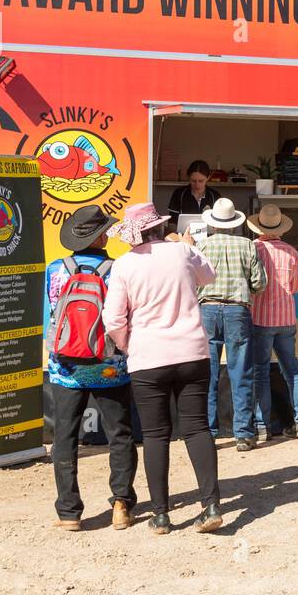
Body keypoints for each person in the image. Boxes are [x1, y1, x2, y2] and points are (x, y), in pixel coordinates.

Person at [101, 203, 223, 534]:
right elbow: (209, 276)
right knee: (197, 428)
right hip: (192, 352)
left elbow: (112, 318)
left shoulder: (125, 264)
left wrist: (127, 344)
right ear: (159, 227)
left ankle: (160, 514)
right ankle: (211, 504)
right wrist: (188, 247)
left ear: (135, 233)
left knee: (156, 435)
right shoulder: (181, 252)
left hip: (148, 357)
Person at [44, 205, 137, 531]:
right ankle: (121, 505)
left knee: (65, 438)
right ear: (99, 237)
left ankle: (69, 513)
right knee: (120, 435)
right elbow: (125, 315)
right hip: (109, 366)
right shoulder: (119, 269)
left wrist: (56, 355)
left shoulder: (56, 269)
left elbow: (50, 317)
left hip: (65, 368)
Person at [199, 196, 268, 451]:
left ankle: (208, 431)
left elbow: (193, 280)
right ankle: (243, 433)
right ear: (234, 222)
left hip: (207, 308)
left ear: (213, 223)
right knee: (241, 370)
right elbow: (260, 283)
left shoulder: (202, 246)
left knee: (209, 372)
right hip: (237, 309)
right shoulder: (247, 246)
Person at [248, 203, 298, 442]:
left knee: (260, 372)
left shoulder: (253, 249)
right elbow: (296, 286)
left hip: (260, 318)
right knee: (292, 371)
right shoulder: (291, 251)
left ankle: (261, 425)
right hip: (286, 318)